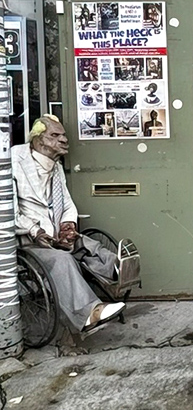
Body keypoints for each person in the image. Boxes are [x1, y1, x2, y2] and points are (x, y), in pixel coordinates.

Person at [13, 115, 125, 332]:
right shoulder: (14, 162)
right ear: (38, 140)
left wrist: (68, 225)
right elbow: (10, 212)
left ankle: (117, 270)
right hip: (28, 241)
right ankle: (89, 313)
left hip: (53, 233)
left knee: (87, 244)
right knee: (63, 259)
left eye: (63, 135)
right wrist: (35, 230)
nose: (64, 140)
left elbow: (66, 203)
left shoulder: (55, 166)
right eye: (55, 135)